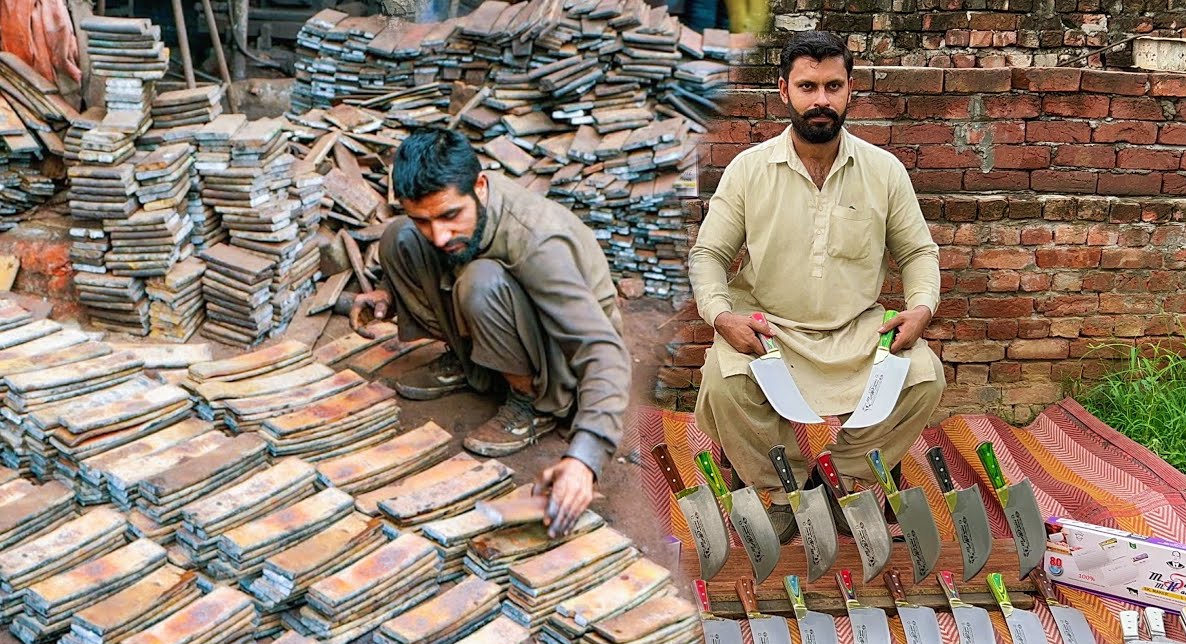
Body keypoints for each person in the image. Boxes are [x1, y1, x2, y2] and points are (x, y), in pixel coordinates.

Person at [688, 30, 947, 543]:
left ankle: (835, 481)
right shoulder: (749, 170)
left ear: (851, 89)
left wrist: (921, 308)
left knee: (924, 376)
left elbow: (918, 253)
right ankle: (785, 491)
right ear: (784, 91)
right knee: (723, 380)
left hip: (856, 331)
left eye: (833, 86)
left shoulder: (884, 171)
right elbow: (708, 256)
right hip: (769, 329)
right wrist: (722, 316)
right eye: (808, 87)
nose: (821, 100)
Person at [349, 129, 631, 537]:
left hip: (559, 361)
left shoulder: (537, 240)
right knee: (399, 238)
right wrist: (389, 296)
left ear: (480, 186)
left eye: (449, 215)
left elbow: (603, 350)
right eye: (424, 218)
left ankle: (531, 404)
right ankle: (470, 364)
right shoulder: (443, 224)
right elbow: (429, 238)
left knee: (481, 280)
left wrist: (585, 459)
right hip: (505, 322)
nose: (439, 234)